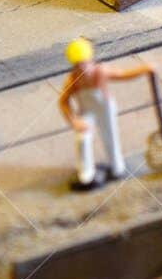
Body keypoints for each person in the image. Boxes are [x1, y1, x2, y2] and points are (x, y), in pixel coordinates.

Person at [58, 39, 153, 190]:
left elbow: (123, 75)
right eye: (78, 65)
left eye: (85, 63)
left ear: (91, 60)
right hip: (86, 112)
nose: (82, 68)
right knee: (83, 139)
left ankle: (116, 167)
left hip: (105, 109)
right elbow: (63, 102)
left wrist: (143, 70)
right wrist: (74, 121)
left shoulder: (100, 72)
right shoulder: (72, 80)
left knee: (110, 136)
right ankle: (86, 175)